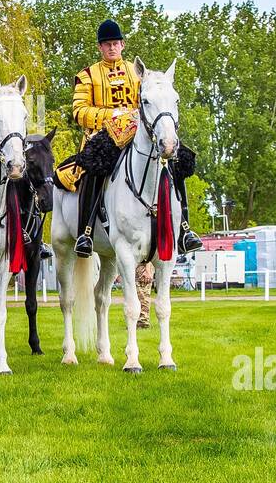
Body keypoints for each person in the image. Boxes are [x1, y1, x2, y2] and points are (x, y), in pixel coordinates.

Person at [64, 19, 202, 257]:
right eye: (106, 44)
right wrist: (112, 114)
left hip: (139, 131)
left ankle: (185, 228)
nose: (111, 48)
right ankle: (85, 232)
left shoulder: (138, 72)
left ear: (123, 44)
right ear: (100, 47)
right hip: (104, 134)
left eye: (115, 43)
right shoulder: (87, 75)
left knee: (181, 160)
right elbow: (79, 112)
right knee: (94, 166)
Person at [135, 259, 154, 329]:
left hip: (143, 266)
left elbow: (148, 254)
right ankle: (137, 321)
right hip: (137, 265)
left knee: (143, 296)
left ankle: (143, 322)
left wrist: (147, 270)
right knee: (137, 296)